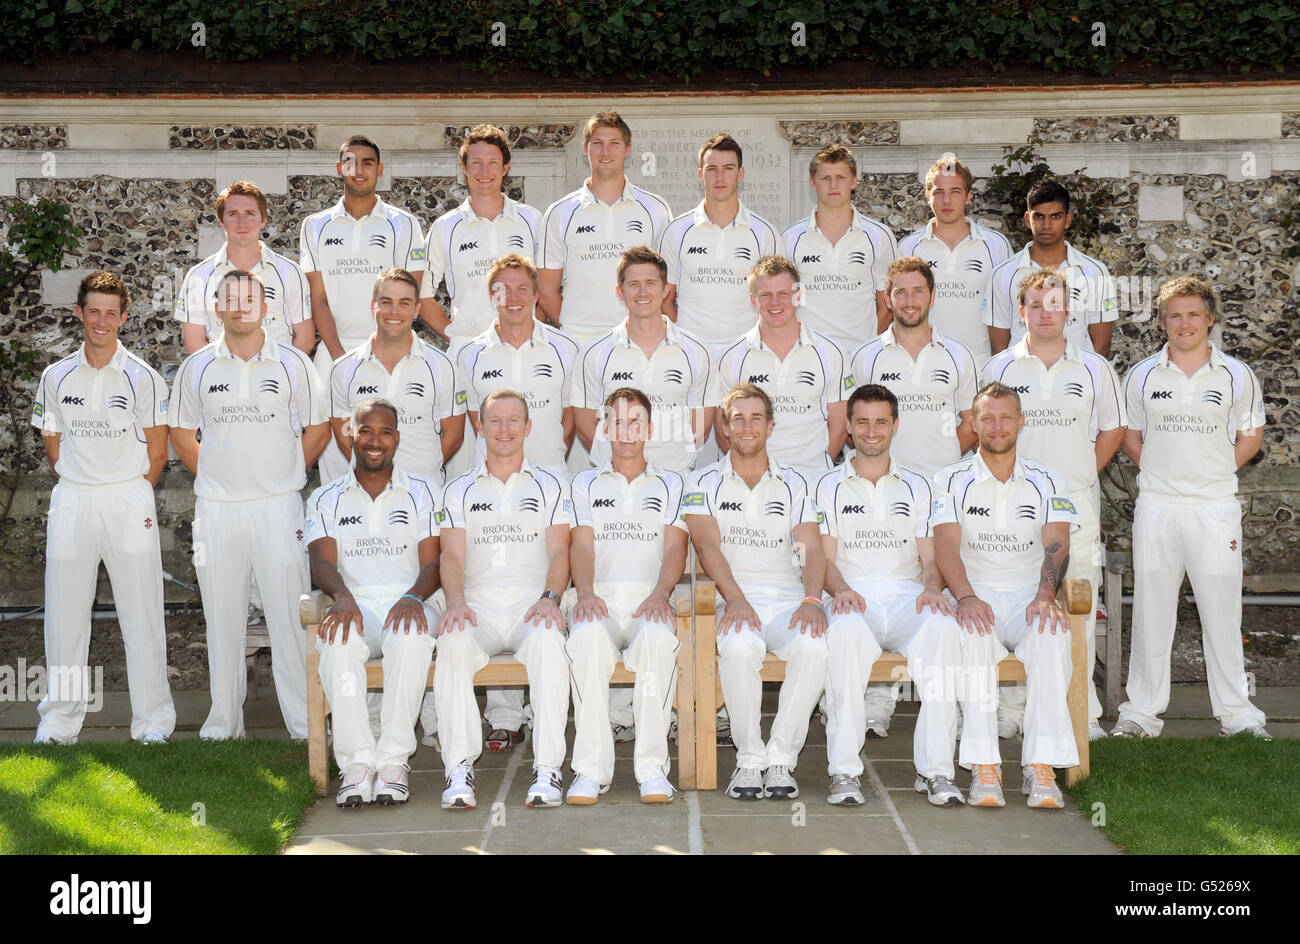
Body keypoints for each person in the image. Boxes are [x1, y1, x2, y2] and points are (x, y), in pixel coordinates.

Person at [817, 384, 998, 806]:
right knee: (842, 638)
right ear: (848, 426)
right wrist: (840, 590)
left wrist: (934, 589)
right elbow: (822, 559)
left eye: (881, 421)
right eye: (861, 421)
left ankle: (935, 772)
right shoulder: (827, 485)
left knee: (941, 628)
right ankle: (844, 772)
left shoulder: (919, 486)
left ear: (895, 425)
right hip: (851, 598)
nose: (871, 431)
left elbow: (930, 558)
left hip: (905, 597)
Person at [169, 269, 330, 740]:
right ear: (217, 308)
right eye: (230, 299)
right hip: (217, 509)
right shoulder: (196, 367)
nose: (239, 306)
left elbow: (318, 428)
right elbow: (181, 435)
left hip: (278, 507)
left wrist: (283, 473)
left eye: (249, 298)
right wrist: (221, 475)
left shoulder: (295, 364)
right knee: (222, 616)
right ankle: (224, 724)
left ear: (266, 307)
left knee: (291, 616)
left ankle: (305, 725)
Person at [1112, 277, 1270, 740]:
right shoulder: (1142, 375)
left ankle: (1238, 715)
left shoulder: (1237, 375)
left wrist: (1212, 474)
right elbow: (1131, 437)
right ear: (1162, 322)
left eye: (1193, 314)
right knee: (1151, 610)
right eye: (1175, 315)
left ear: (1210, 319)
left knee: (1222, 611)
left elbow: (1250, 437)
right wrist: (1164, 474)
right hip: (1158, 506)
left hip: (1215, 507)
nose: (1185, 323)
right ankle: (1140, 714)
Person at [31, 271, 176, 745]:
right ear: (79, 313)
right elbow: (53, 448)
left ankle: (153, 722)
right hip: (73, 500)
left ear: (124, 318)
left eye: (110, 313)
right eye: (93, 311)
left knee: (143, 614)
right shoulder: (55, 376)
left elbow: (158, 453)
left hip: (127, 500)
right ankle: (59, 721)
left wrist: (129, 493)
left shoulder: (144, 378)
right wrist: (82, 481)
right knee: (65, 616)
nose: (101, 320)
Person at [983, 269, 1126, 740]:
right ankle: (1013, 708)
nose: (1046, 313)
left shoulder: (1095, 368)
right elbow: (987, 433)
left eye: (1055, 304)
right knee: (1017, 603)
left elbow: (1112, 431)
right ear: (1020, 311)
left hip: (1076, 506)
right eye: (1035, 305)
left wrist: (1082, 475)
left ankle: (1078, 711)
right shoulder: (999, 368)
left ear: (1069, 311)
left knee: (1076, 607)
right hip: (1012, 505)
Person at [444, 253, 578, 749]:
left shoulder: (564, 348)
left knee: (540, 595)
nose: (515, 298)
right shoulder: (469, 354)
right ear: (492, 296)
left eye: (524, 289)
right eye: (504, 289)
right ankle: (504, 715)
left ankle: (547, 729)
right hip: (488, 490)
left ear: (537, 295)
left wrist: (549, 459)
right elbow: (463, 423)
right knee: (493, 584)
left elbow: (570, 415)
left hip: (546, 492)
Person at [932, 382, 1080, 809]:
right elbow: (944, 545)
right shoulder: (950, 478)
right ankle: (984, 767)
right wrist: (964, 597)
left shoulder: (1048, 478)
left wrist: (1045, 596)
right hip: (974, 593)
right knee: (976, 637)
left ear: (1021, 421)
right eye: (987, 418)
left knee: (1052, 636)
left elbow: (1058, 542)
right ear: (974, 424)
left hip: (1026, 596)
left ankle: (1041, 766)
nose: (997, 426)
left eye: (1006, 417)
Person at [684, 383, 828, 801]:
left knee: (815, 645)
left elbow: (812, 547)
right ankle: (749, 760)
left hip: (786, 599)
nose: (747, 427)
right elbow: (707, 546)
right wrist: (737, 599)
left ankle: (781, 757)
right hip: (732, 599)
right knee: (741, 648)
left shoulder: (796, 482)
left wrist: (813, 599)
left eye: (756, 418)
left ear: (770, 425)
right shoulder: (701, 481)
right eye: (737, 419)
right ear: (724, 428)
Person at [434, 390, 574, 809]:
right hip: (479, 606)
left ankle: (548, 768)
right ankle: (458, 769)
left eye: (514, 421)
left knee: (550, 642)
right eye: (494, 421)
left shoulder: (551, 485)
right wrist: (456, 602)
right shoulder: (457, 489)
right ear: (480, 426)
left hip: (533, 604)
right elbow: (452, 554)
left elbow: (559, 552)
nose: (504, 430)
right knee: (453, 641)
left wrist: (550, 598)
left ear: (528, 427)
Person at [306, 398, 441, 806]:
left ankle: (395, 760)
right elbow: (321, 562)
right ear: (351, 435)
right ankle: (357, 764)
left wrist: (413, 596)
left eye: (384, 432)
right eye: (366, 430)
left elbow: (434, 562)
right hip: (356, 603)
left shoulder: (423, 491)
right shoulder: (325, 497)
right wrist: (343, 597)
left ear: (397, 438)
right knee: (337, 641)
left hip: (410, 599)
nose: (375, 440)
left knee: (411, 636)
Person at [566, 388, 688, 804]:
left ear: (649, 428)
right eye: (618, 422)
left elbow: (675, 548)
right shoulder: (583, 483)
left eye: (635, 421)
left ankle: (652, 769)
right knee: (583, 639)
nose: (627, 430)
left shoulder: (672, 484)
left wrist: (660, 593)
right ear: (604, 428)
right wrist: (583, 593)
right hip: (597, 599)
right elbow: (580, 546)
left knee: (657, 638)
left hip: (648, 599)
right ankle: (589, 770)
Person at [420, 124, 541, 482]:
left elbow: (546, 288)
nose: (484, 172)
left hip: (524, 350)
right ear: (464, 168)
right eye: (476, 163)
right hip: (466, 354)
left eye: (493, 163)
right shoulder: (446, 226)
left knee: (520, 445)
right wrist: (456, 335)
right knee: (467, 459)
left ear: (506, 168)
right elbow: (423, 293)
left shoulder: (532, 220)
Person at [300, 134, 425, 481]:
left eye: (368, 163)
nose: (359, 170)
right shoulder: (314, 226)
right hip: (334, 353)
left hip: (389, 352)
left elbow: (409, 292)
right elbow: (318, 298)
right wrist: (342, 358)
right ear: (340, 169)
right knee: (338, 460)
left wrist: (382, 349)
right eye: (351, 162)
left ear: (380, 170)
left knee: (388, 447)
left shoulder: (404, 224)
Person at [571, 246, 717, 476]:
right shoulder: (594, 353)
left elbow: (700, 429)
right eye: (633, 284)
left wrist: (672, 461)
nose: (642, 292)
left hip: (675, 478)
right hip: (612, 481)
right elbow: (586, 428)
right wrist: (624, 465)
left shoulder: (698, 351)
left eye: (650, 283)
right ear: (620, 292)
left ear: (666, 289)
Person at [537, 111, 673, 346]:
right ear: (585, 148)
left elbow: (668, 284)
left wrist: (646, 327)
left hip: (639, 338)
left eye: (614, 143)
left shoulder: (656, 209)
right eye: (597, 144)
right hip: (578, 340)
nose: (605, 152)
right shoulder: (560, 212)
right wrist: (573, 330)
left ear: (628, 149)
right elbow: (545, 290)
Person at [717, 255, 849, 484]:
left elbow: (839, 427)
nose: (774, 303)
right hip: (753, 484)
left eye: (783, 294)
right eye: (765, 295)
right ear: (753, 300)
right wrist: (750, 473)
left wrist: (815, 471)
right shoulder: (732, 357)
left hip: (813, 481)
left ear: (798, 296)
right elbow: (724, 428)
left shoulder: (831, 352)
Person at [329, 268, 465, 488]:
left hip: (425, 497)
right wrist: (375, 476)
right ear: (373, 306)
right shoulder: (343, 369)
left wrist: (422, 475)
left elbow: (454, 435)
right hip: (367, 496)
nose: (394, 311)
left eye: (404, 303)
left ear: (416, 310)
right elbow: (345, 437)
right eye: (386, 302)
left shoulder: (442, 366)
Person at [849, 256, 977, 480]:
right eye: (900, 292)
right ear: (887, 299)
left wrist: (946, 461)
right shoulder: (865, 356)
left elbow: (972, 421)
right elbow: (851, 423)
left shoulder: (959, 355)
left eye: (918, 291)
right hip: (886, 483)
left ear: (932, 296)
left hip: (943, 485)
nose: (909, 301)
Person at [660, 133, 779, 351]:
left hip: (747, 354)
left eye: (729, 168)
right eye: (711, 169)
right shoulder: (676, 231)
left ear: (741, 173)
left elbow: (777, 300)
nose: (720, 177)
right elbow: (665, 299)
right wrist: (686, 340)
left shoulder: (764, 233)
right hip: (690, 354)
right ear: (700, 174)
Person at [175, 179, 314, 356]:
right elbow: (195, 344)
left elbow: (305, 338)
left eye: (250, 213)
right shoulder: (197, 276)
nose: (242, 222)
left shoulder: (290, 272)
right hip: (221, 378)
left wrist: (276, 373)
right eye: (233, 214)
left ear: (263, 220)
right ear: (221, 221)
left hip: (275, 378)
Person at [898, 154, 1012, 366]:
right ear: (927, 195)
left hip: (979, 365)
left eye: (955, 192)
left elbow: (1006, 311)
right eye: (939, 192)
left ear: (968, 196)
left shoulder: (996, 245)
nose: (947, 201)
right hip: (924, 364)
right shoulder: (908, 247)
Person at [781, 144, 897, 351]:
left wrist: (867, 348)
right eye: (825, 178)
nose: (833, 185)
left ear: (854, 181)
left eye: (841, 178)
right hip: (807, 355)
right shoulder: (790, 238)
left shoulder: (879, 236)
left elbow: (888, 304)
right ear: (812, 182)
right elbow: (782, 301)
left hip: (859, 355)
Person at [985, 178, 1117, 358]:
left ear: (1068, 219)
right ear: (1027, 219)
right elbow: (999, 347)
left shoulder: (1095, 272)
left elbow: (1101, 345)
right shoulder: (1002, 274)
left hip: (1076, 379)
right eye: (1038, 216)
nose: (1046, 225)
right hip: (1021, 380)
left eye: (1055, 216)